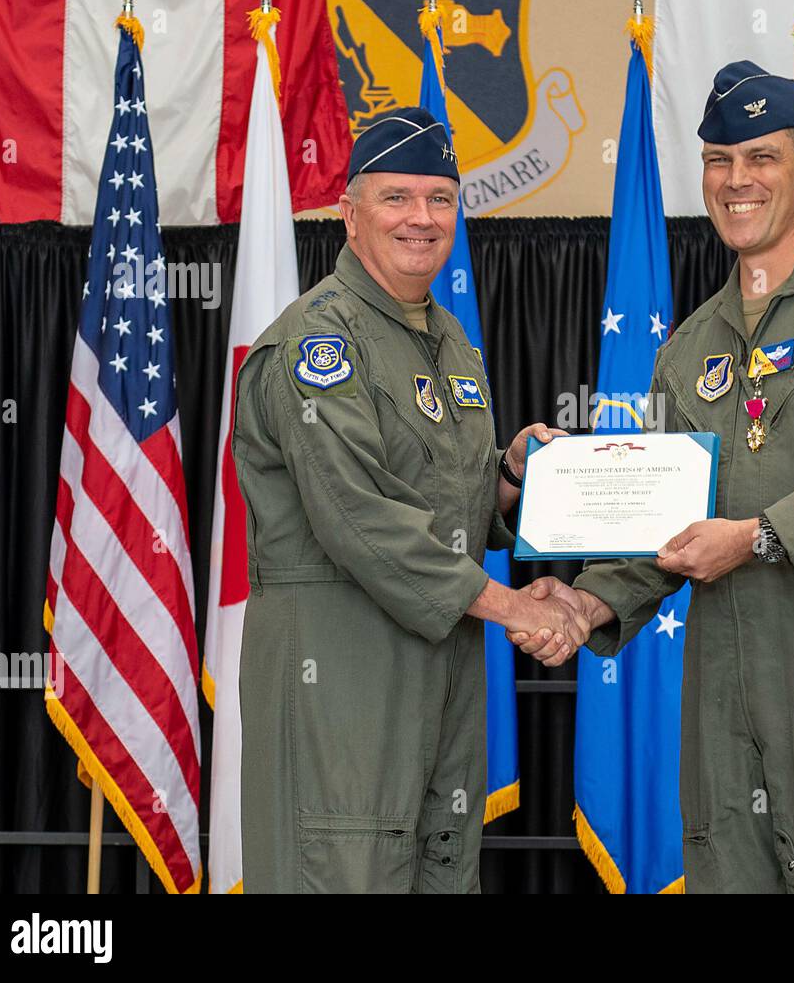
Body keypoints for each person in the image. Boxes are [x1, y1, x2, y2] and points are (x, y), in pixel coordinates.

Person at [514, 60, 794, 893]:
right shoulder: (688, 348)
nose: (736, 180)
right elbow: (669, 521)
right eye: (719, 161)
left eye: (760, 157)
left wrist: (757, 537)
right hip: (723, 688)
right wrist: (588, 601)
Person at [233, 106, 586, 893]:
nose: (420, 219)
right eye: (396, 198)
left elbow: (444, 502)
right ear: (348, 213)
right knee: (345, 868)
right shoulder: (316, 344)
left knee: (438, 865)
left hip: (441, 675)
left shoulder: (448, 342)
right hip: (344, 680)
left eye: (439, 199)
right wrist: (516, 607)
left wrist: (514, 473)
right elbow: (358, 515)